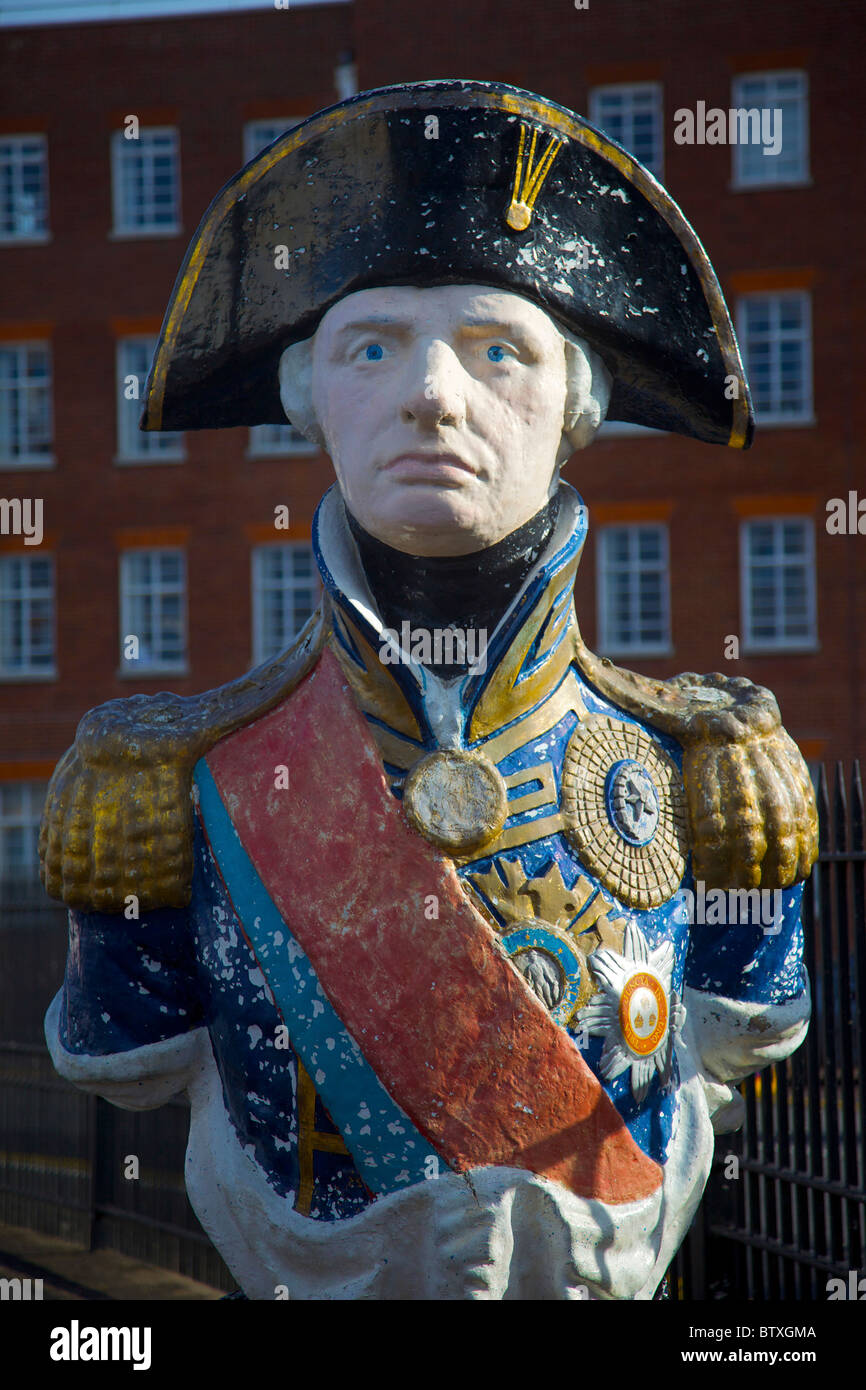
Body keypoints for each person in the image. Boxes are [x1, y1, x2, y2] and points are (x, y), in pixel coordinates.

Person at [39, 80, 816, 1300]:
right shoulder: (175, 786)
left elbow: (742, 1029)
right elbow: (127, 1052)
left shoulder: (700, 774)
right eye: (373, 345)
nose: (433, 395)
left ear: (577, 403)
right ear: (309, 395)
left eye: (495, 347)